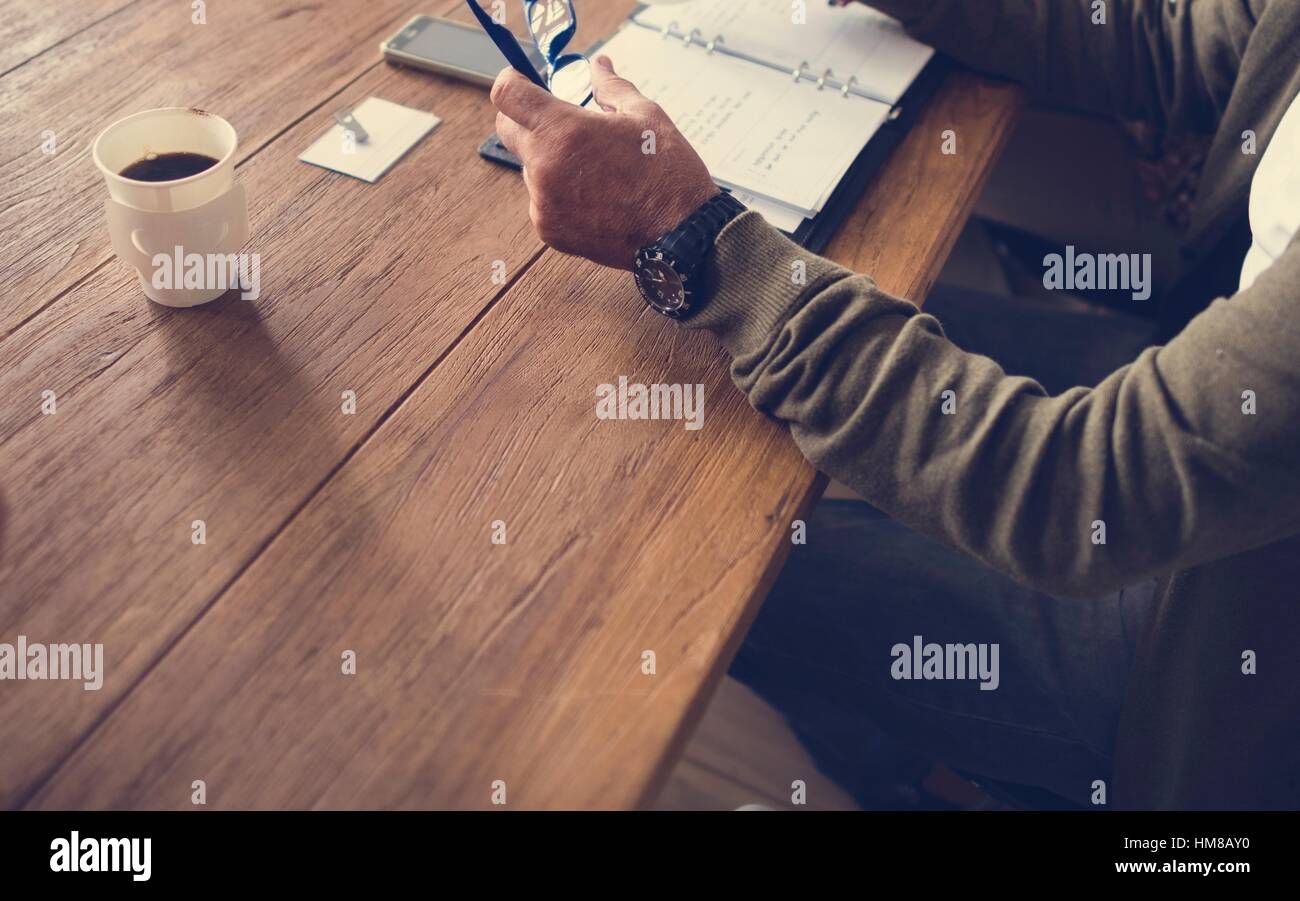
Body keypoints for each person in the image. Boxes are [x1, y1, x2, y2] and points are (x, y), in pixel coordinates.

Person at [490, 0, 1300, 809]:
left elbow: (1080, 490)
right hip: (1203, 387)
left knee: (677, 579)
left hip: (1202, 652)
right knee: (840, 298)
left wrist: (692, 240)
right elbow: (1178, 44)